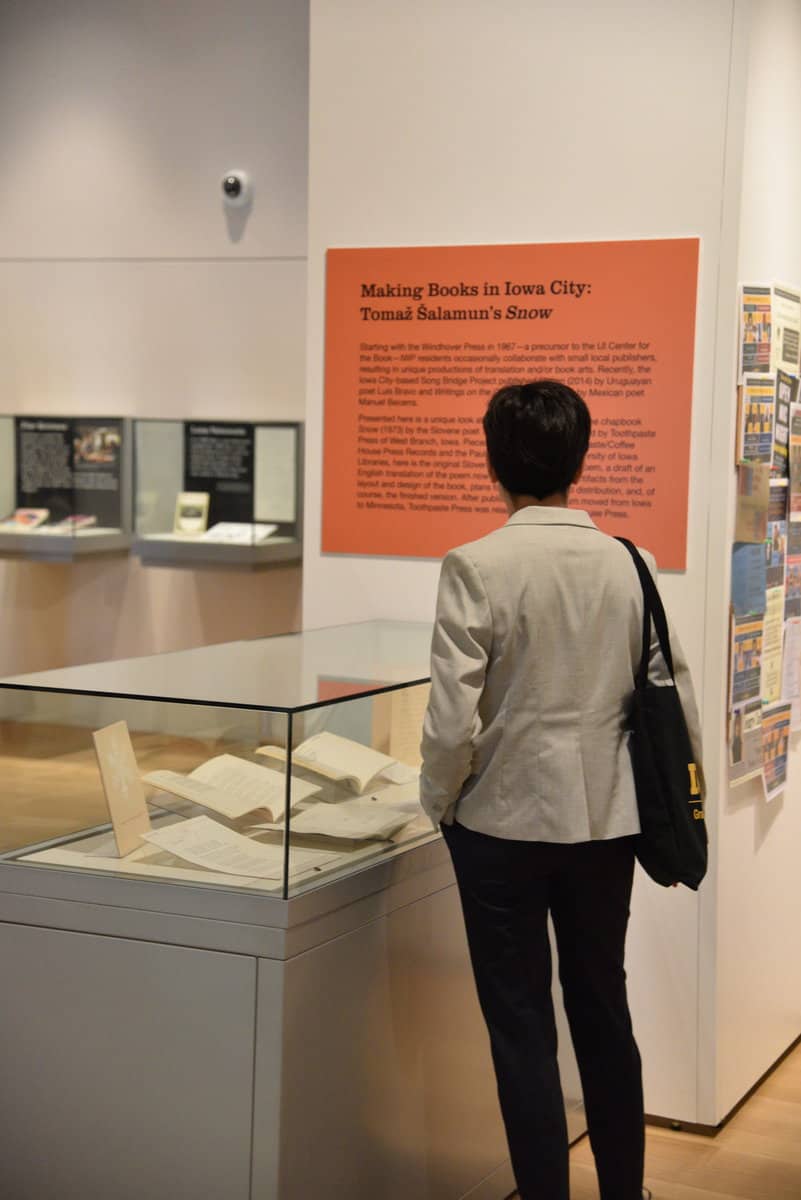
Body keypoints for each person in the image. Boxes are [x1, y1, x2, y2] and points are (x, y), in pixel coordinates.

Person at [420, 380, 703, 1200]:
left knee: (520, 1029)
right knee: (602, 1013)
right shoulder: (628, 561)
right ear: (580, 460)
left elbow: (448, 722)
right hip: (605, 823)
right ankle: (624, 1192)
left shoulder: (476, 564)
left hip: (500, 825)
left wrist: (439, 801)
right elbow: (670, 695)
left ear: (492, 462)